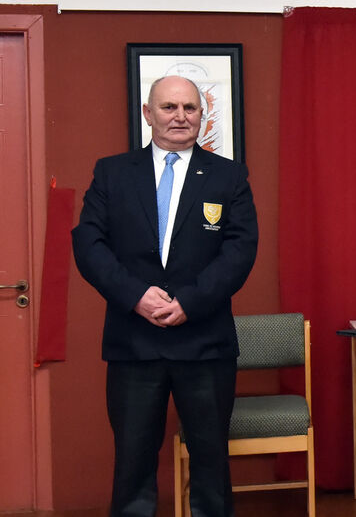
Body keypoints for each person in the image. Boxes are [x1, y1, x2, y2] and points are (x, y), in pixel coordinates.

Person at [73, 75, 259, 517]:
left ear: (202, 115)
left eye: (190, 108)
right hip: (134, 343)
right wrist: (136, 296)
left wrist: (189, 302)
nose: (180, 117)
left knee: (211, 466)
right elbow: (89, 245)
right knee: (133, 465)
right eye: (169, 107)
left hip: (204, 343)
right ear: (148, 114)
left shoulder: (229, 176)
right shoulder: (112, 172)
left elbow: (240, 251)